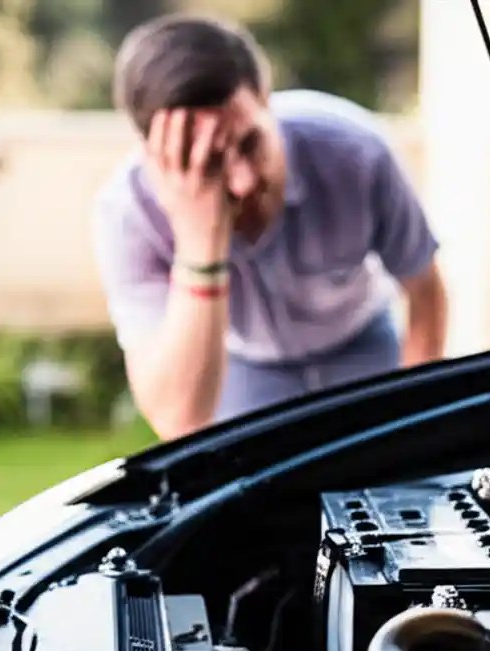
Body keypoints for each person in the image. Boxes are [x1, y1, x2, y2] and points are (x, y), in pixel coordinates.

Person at [91, 13, 449, 440]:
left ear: (265, 99)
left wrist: (412, 419)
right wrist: (199, 240)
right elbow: (181, 418)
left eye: (249, 143)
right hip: (243, 366)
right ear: (155, 156)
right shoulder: (127, 216)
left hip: (361, 341)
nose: (242, 181)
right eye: (210, 161)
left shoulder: (355, 153)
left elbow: (425, 293)